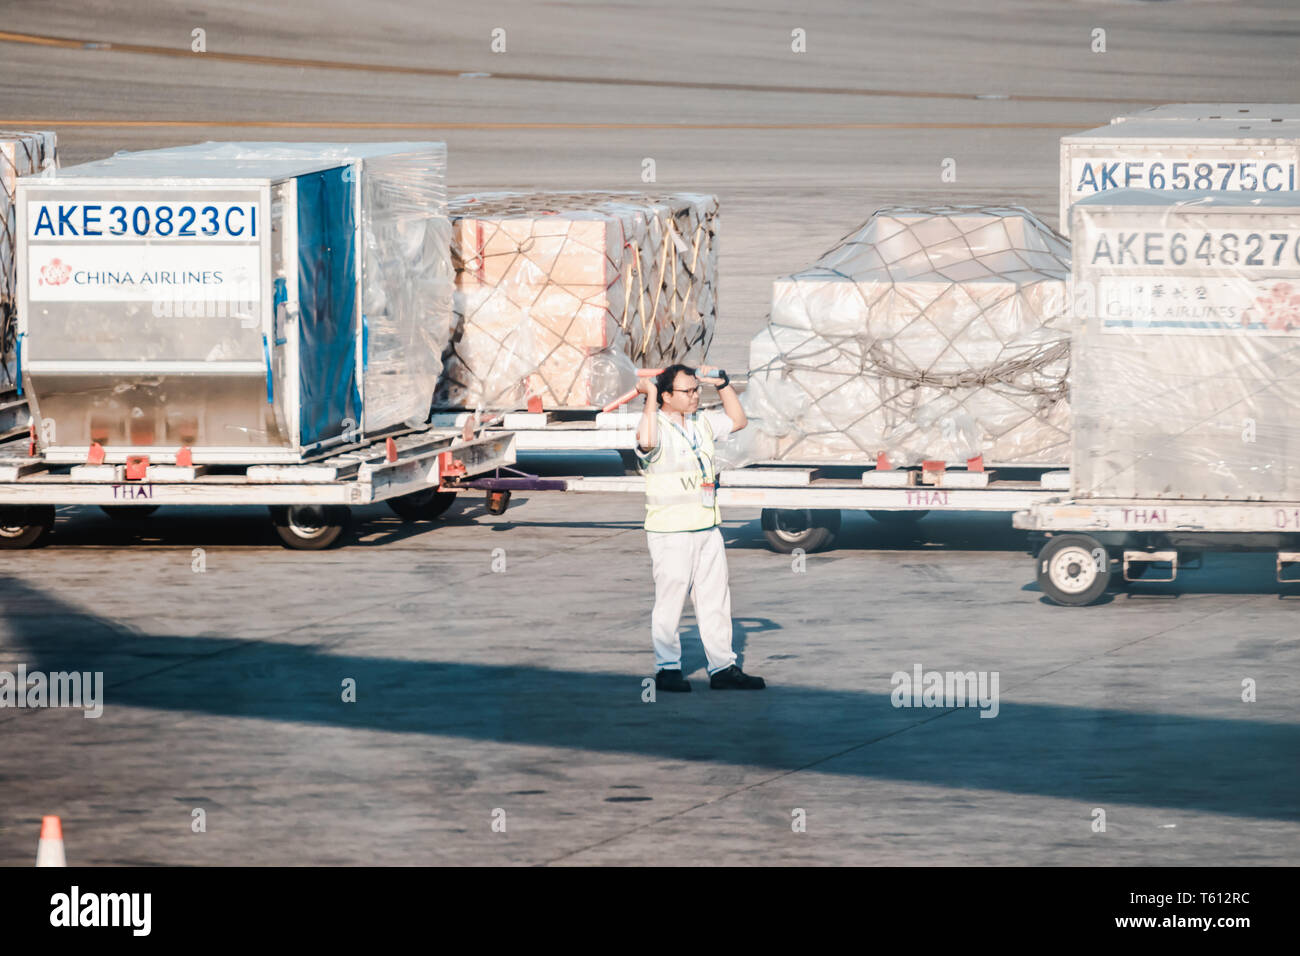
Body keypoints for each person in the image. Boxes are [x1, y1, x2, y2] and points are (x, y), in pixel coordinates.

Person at [634, 363, 766, 692]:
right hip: (670, 531)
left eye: (696, 390)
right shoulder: (655, 424)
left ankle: (722, 667)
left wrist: (722, 384)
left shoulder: (701, 422)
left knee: (715, 599)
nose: (694, 396)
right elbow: (646, 443)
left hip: (706, 525)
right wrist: (648, 396)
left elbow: (738, 420)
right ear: (666, 396)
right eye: (687, 391)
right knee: (671, 600)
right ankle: (667, 669)